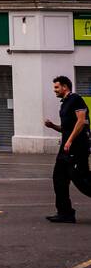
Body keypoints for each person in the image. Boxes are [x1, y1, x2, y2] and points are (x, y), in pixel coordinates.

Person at [45, 75, 91, 223]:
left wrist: (70, 140)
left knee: (82, 181)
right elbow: (66, 129)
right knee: (59, 179)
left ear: (65, 87)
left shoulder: (75, 99)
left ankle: (66, 213)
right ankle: (65, 213)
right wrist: (53, 126)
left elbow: (81, 121)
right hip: (65, 150)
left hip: (77, 148)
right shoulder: (64, 103)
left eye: (57, 87)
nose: (55, 90)